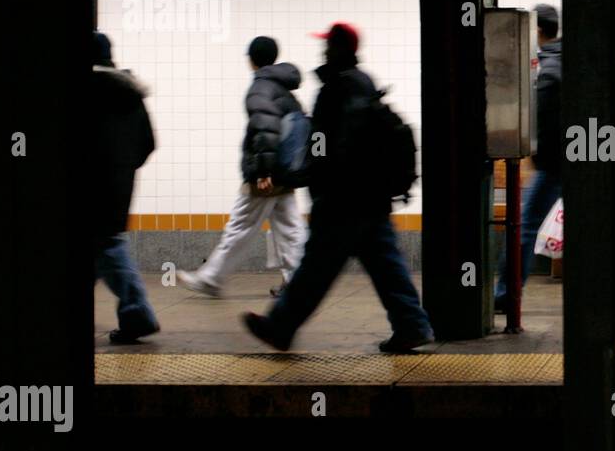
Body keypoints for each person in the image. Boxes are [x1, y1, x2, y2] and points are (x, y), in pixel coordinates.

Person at [242, 23, 433, 352]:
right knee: (386, 265)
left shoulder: (338, 88)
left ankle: (280, 326)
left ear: (339, 48)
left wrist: (304, 175)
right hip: (369, 197)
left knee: (316, 268)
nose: (323, 50)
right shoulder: (362, 83)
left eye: (328, 45)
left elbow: (327, 145)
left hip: (343, 198)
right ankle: (412, 325)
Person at [178, 36, 307, 299]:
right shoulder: (284, 89)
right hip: (284, 172)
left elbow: (265, 129)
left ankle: (211, 278)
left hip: (268, 173)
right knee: (290, 228)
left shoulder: (261, 87)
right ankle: (300, 282)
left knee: (241, 226)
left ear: (252, 59)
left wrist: (262, 172)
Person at [494, 4, 562, 315]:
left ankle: (507, 294)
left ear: (537, 31)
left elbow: (543, 119)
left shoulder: (548, 69)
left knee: (523, 227)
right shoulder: (569, 60)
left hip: (555, 164)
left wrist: (535, 153)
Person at [92, 30, 160, 344]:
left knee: (108, 246)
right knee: (102, 245)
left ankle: (138, 314)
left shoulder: (89, 89)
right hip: (120, 184)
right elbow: (148, 142)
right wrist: (123, 167)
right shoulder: (129, 92)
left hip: (95, 186)